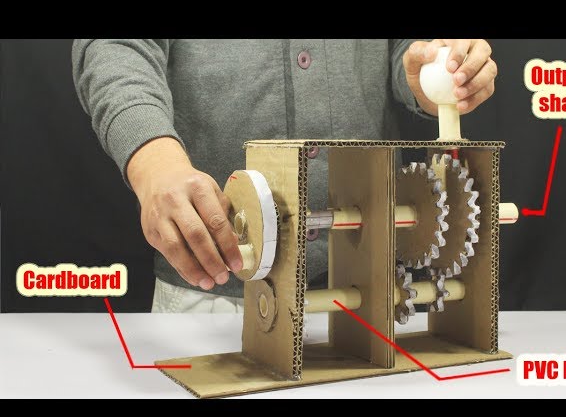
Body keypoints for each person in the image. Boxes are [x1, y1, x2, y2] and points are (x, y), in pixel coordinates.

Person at [71, 39, 497, 313]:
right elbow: (116, 48)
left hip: (376, 294)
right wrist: (154, 163)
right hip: (215, 298)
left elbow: (404, 48)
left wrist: (430, 69)